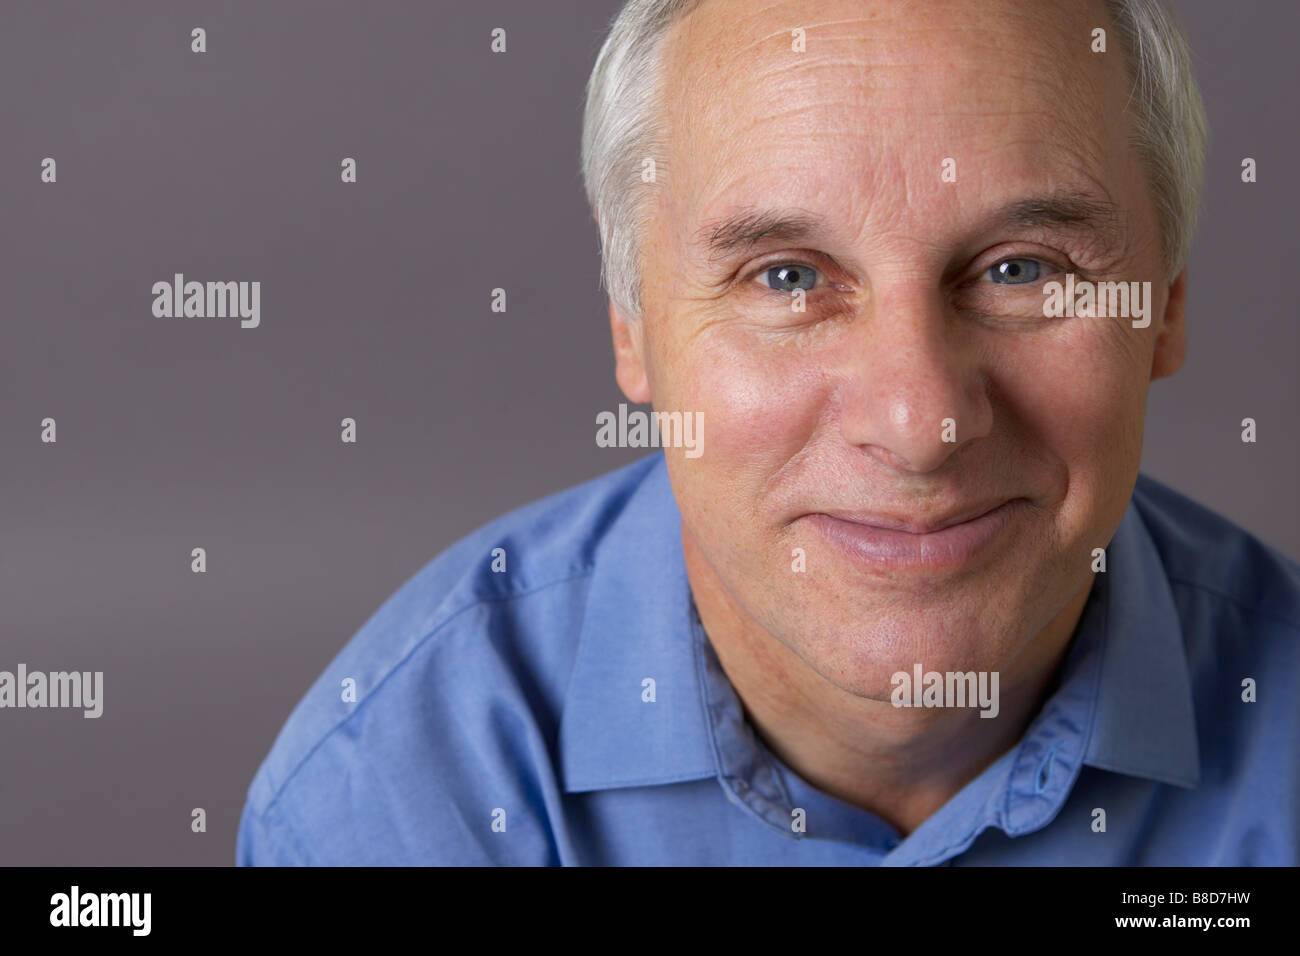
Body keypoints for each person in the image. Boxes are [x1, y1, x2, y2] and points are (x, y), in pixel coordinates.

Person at [238, 0, 1299, 865]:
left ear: (1162, 305)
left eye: (1021, 268)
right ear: (634, 330)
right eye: (786, 277)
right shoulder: (391, 801)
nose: (917, 423)